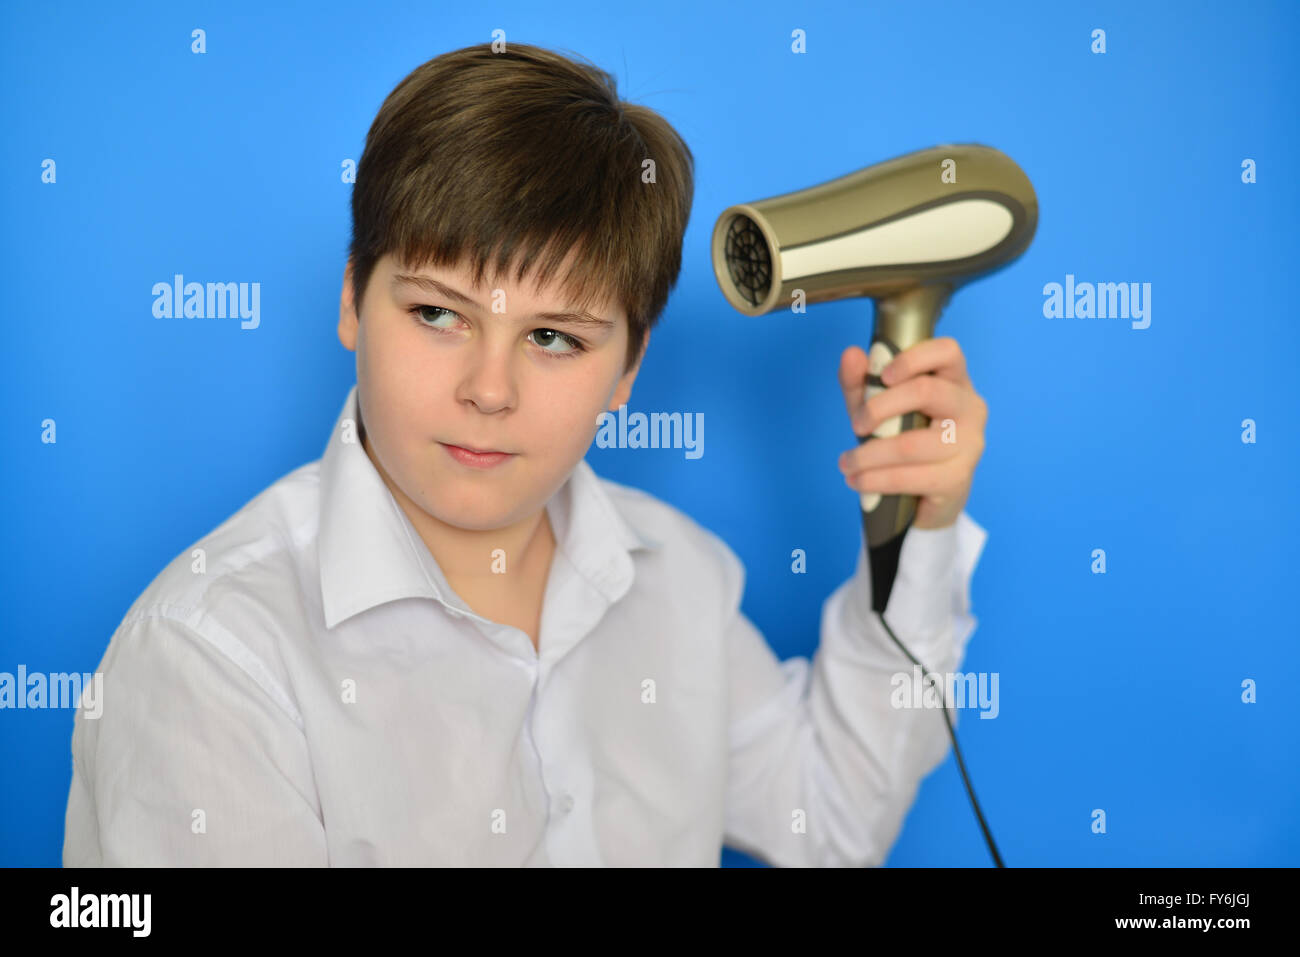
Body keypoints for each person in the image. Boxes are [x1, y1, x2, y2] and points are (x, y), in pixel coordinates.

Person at [62, 41, 989, 867]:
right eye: (437, 313)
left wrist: (919, 534)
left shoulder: (678, 576)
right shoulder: (212, 657)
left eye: (555, 338)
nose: (490, 389)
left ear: (629, 367)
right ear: (352, 302)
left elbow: (830, 820)